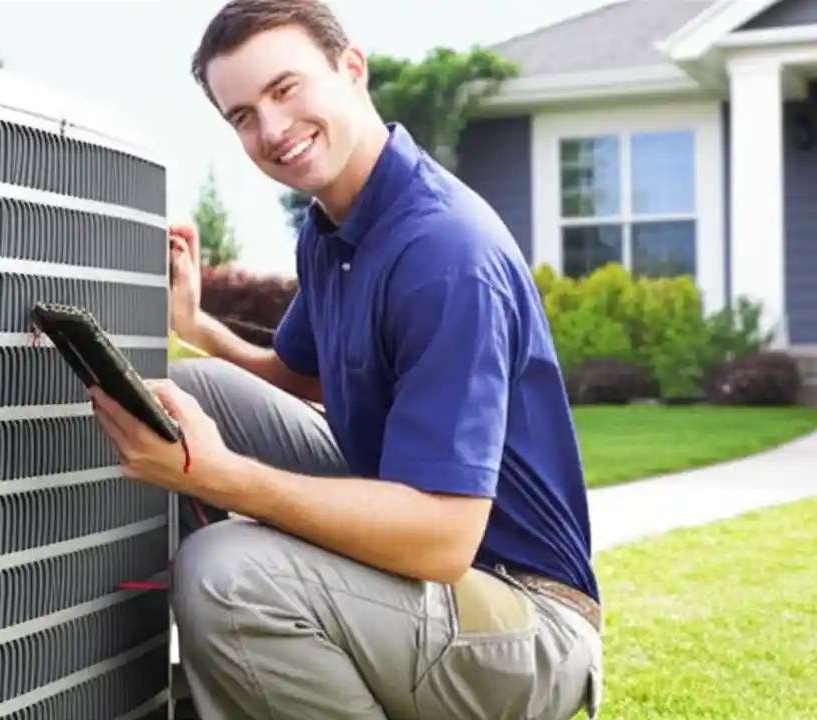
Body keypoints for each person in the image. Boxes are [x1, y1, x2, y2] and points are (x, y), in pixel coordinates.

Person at [86, 1, 603, 718]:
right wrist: (195, 324)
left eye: (285, 89)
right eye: (241, 115)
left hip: (522, 618)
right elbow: (303, 373)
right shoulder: (334, 225)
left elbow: (444, 540)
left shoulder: (444, 255)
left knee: (227, 574)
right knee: (196, 391)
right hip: (431, 574)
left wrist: (219, 477)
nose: (270, 130)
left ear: (350, 68)